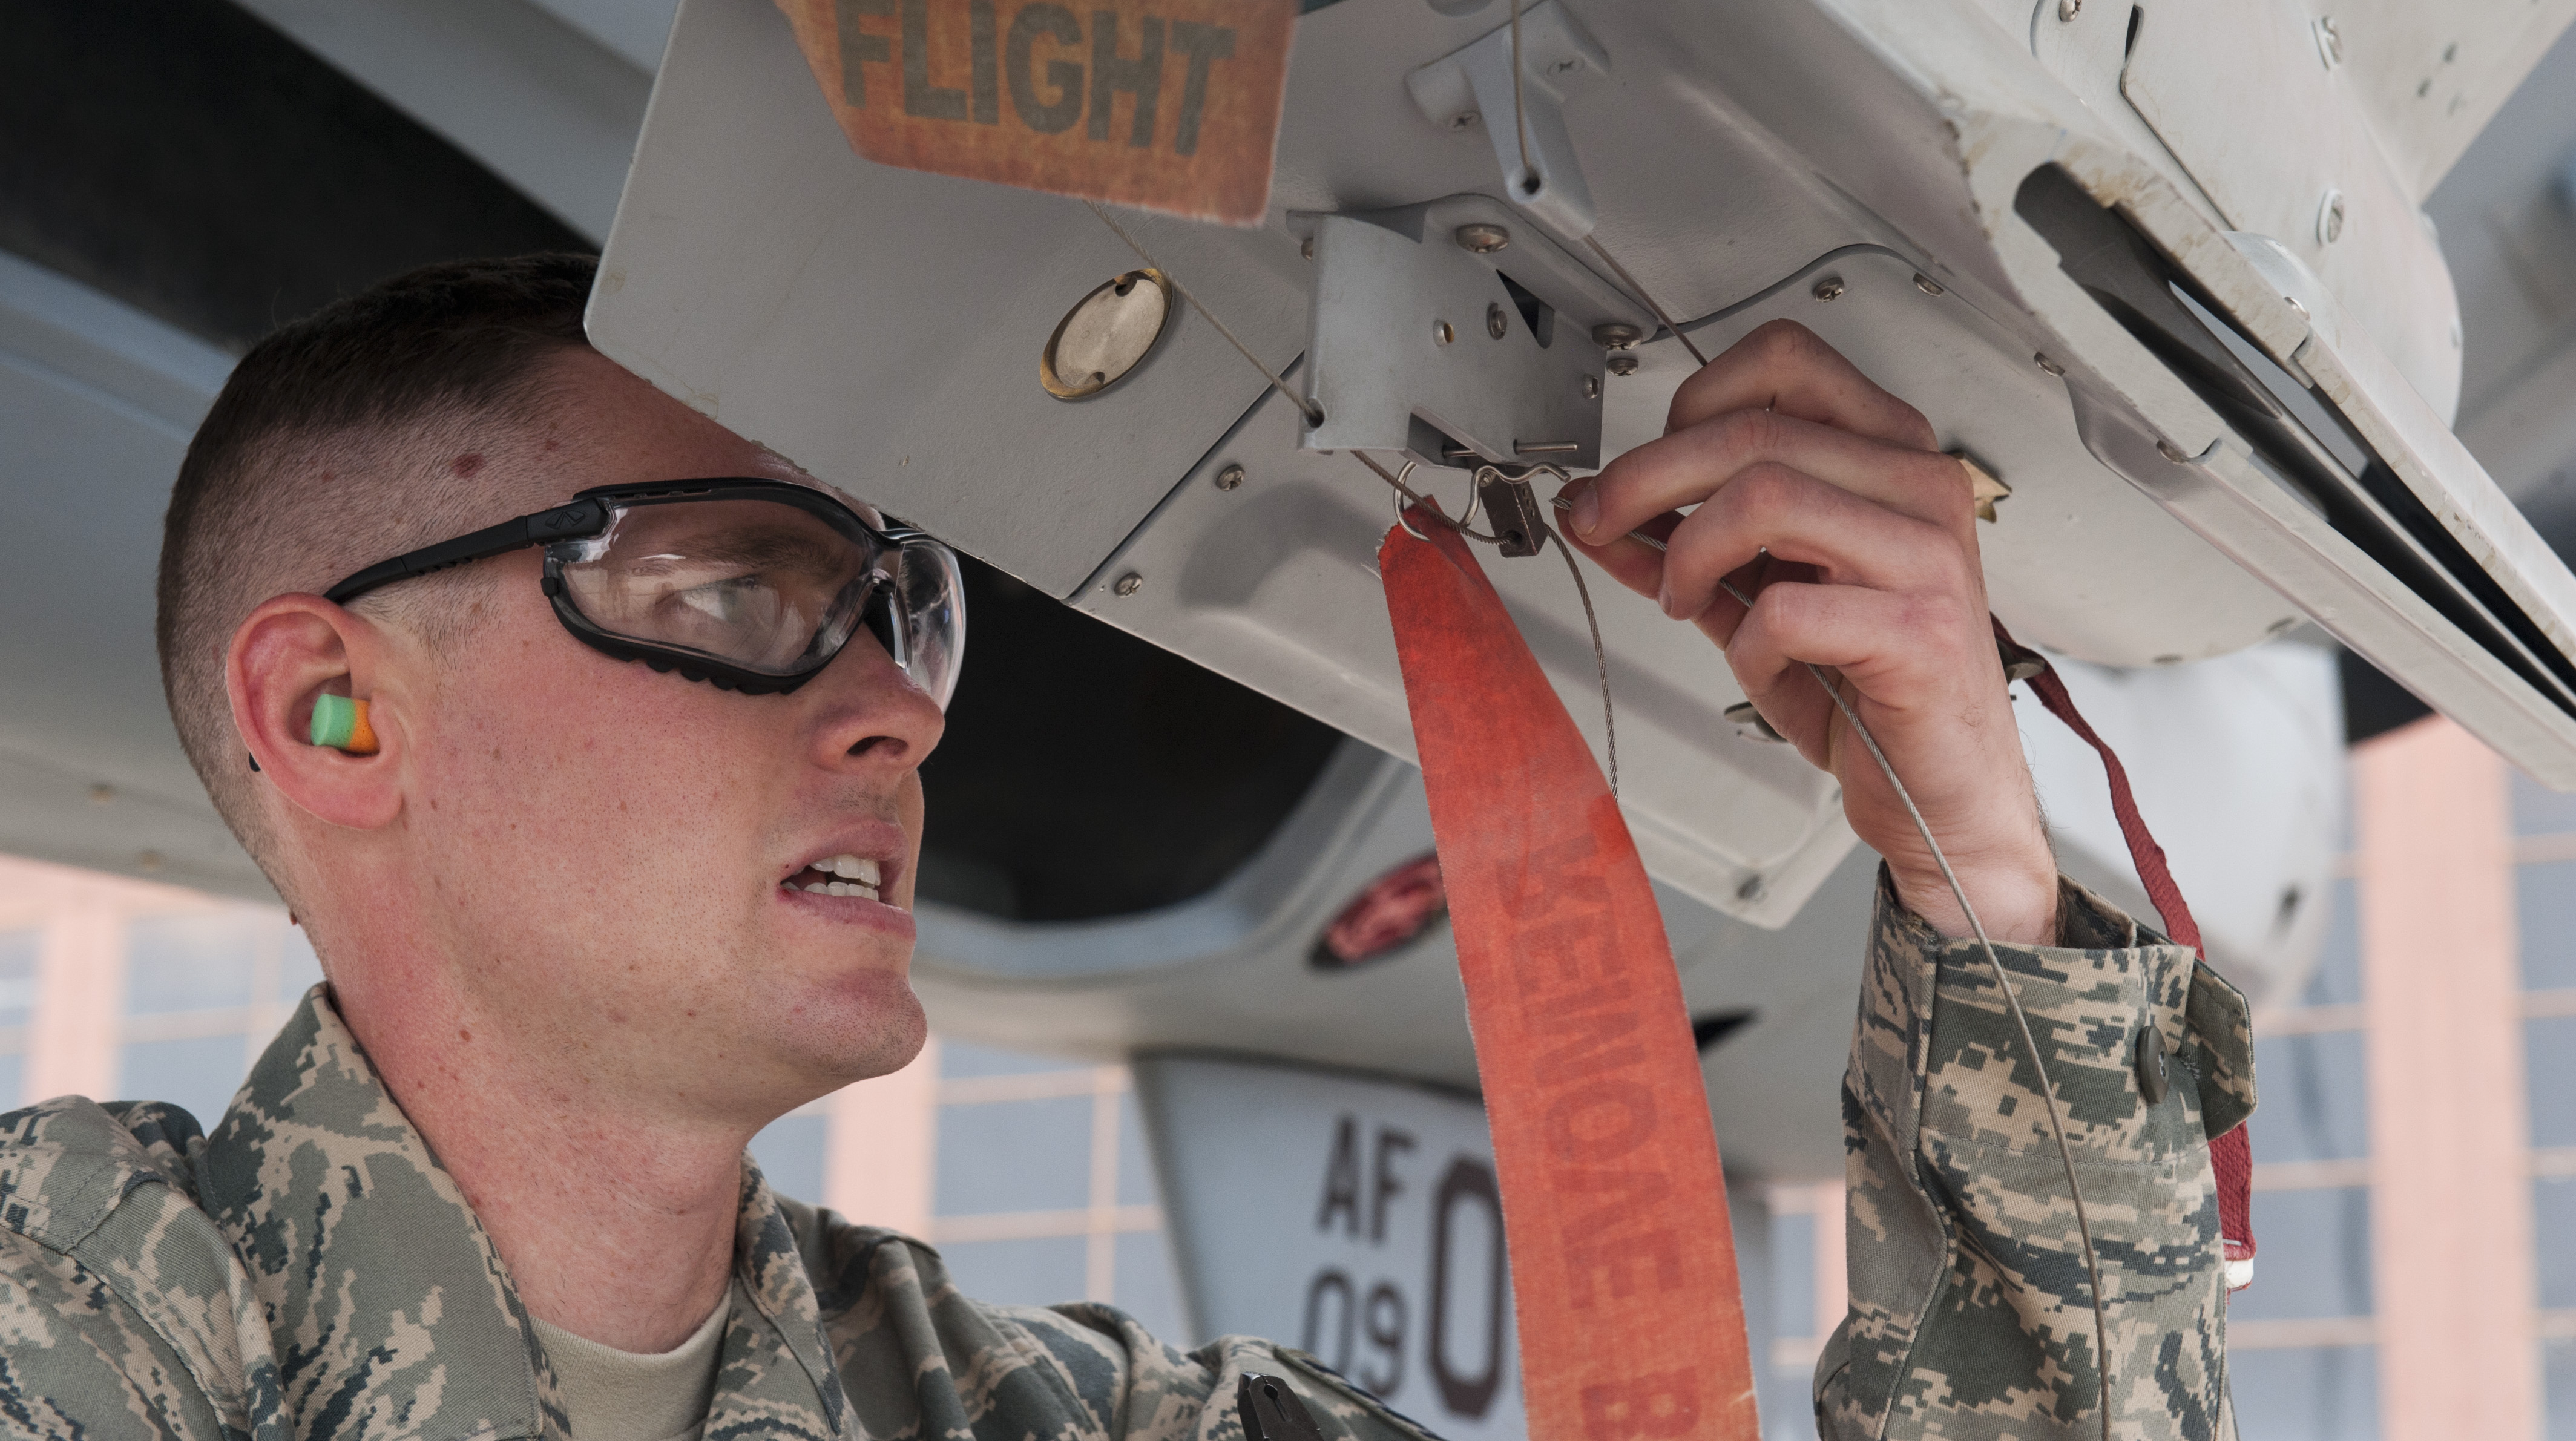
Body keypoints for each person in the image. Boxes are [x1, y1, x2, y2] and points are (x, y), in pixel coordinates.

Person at [0, 254, 2250, 1440]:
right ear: (331, 710)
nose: (895, 702)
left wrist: (1977, 872)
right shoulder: (81, 1323)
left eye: (901, 613)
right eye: (736, 595)